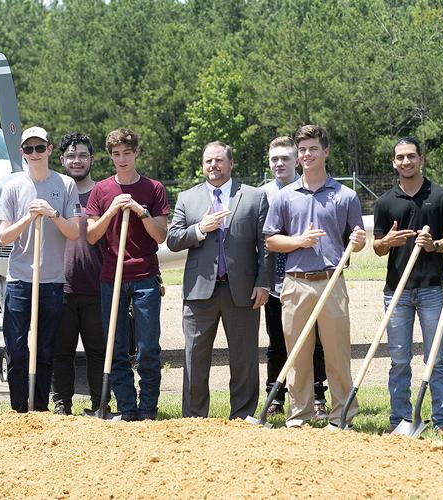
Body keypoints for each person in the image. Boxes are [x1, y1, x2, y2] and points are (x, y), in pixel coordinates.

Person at [263, 124, 365, 428]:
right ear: (298, 156)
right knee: (298, 356)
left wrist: (358, 243)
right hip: (295, 284)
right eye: (303, 150)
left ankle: (341, 416)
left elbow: (355, 241)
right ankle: (299, 415)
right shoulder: (284, 197)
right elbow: (270, 240)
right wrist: (299, 242)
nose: (307, 155)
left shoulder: (346, 196)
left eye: (313, 149)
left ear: (326, 152)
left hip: (332, 282)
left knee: (336, 354)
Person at [167, 141, 273, 419]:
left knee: (245, 358)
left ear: (230, 163)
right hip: (199, 292)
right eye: (208, 161)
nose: (213, 166)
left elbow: (266, 245)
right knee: (194, 357)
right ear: (202, 165)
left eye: (218, 160)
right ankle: (194, 416)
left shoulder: (253, 197)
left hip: (242, 290)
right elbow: (174, 239)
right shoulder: (187, 198)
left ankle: (243, 414)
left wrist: (264, 282)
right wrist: (200, 228)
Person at [371, 137, 443, 435]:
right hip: (396, 290)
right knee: (398, 360)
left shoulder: (441, 195)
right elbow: (377, 248)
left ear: (421, 158)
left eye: (411, 156)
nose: (405, 162)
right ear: (394, 162)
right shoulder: (385, 202)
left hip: (432, 288)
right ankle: (400, 420)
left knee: (436, 357)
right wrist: (387, 242)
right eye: (400, 158)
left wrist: (433, 245)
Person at [86, 127, 170, 421]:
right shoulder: (102, 190)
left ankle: (148, 409)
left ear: (137, 153)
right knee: (116, 347)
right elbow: (92, 236)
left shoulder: (153, 188)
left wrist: (141, 212)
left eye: (127, 153)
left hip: (145, 276)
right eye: (116, 154)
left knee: (148, 348)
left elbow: (161, 237)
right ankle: (127, 409)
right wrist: (110, 212)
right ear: (110, 156)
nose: (121, 159)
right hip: (112, 277)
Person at [0, 126, 82, 413]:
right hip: (20, 280)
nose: (34, 153)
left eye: (39, 147)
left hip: (52, 281)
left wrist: (52, 213)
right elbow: (3, 237)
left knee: (46, 350)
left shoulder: (66, 185)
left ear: (49, 150)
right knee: (18, 350)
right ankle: (19, 409)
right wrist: (28, 217)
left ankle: (40, 409)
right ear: (23, 153)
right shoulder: (12, 187)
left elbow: (74, 231)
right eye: (28, 149)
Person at [259, 136, 330, 419]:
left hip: (306, 277)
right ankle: (275, 395)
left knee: (316, 341)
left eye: (285, 159)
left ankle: (317, 394)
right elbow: (260, 244)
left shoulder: (310, 190)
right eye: (274, 159)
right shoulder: (260, 195)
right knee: (277, 342)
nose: (279, 164)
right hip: (275, 284)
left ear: (297, 160)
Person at [50, 133, 107, 415]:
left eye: (82, 155)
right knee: (62, 351)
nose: (76, 160)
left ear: (92, 159)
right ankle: (62, 405)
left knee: (98, 351)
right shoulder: (54, 192)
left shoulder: (104, 192)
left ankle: (100, 404)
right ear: (61, 160)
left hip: (97, 285)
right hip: (60, 285)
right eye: (71, 156)